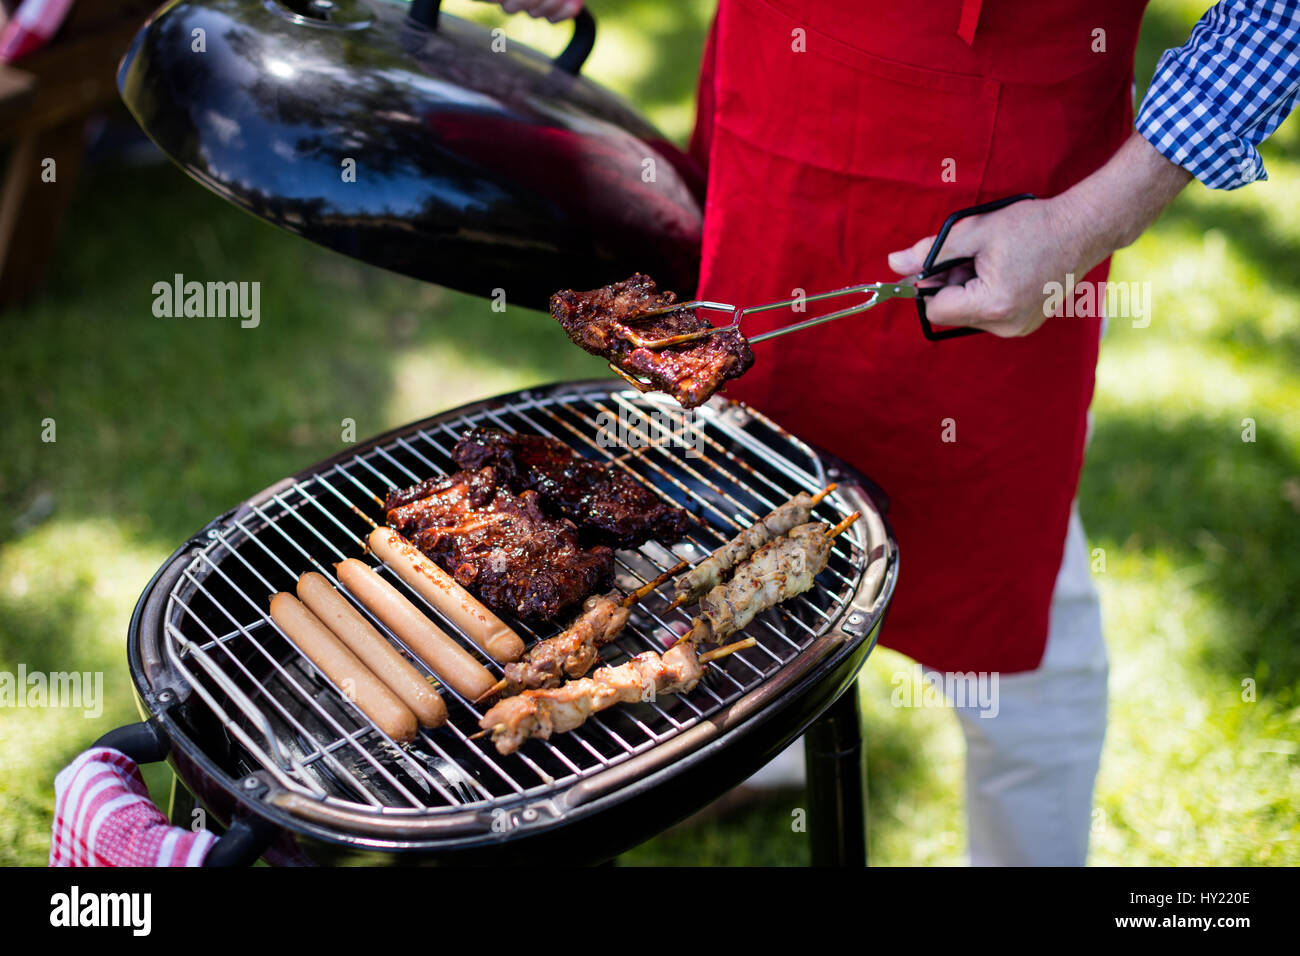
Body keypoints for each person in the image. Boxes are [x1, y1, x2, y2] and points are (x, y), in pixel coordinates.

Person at [514, 0, 1300, 865]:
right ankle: (770, 739)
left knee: (1013, 630)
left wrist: (1089, 221)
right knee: (742, 497)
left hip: (994, 177)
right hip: (776, 103)